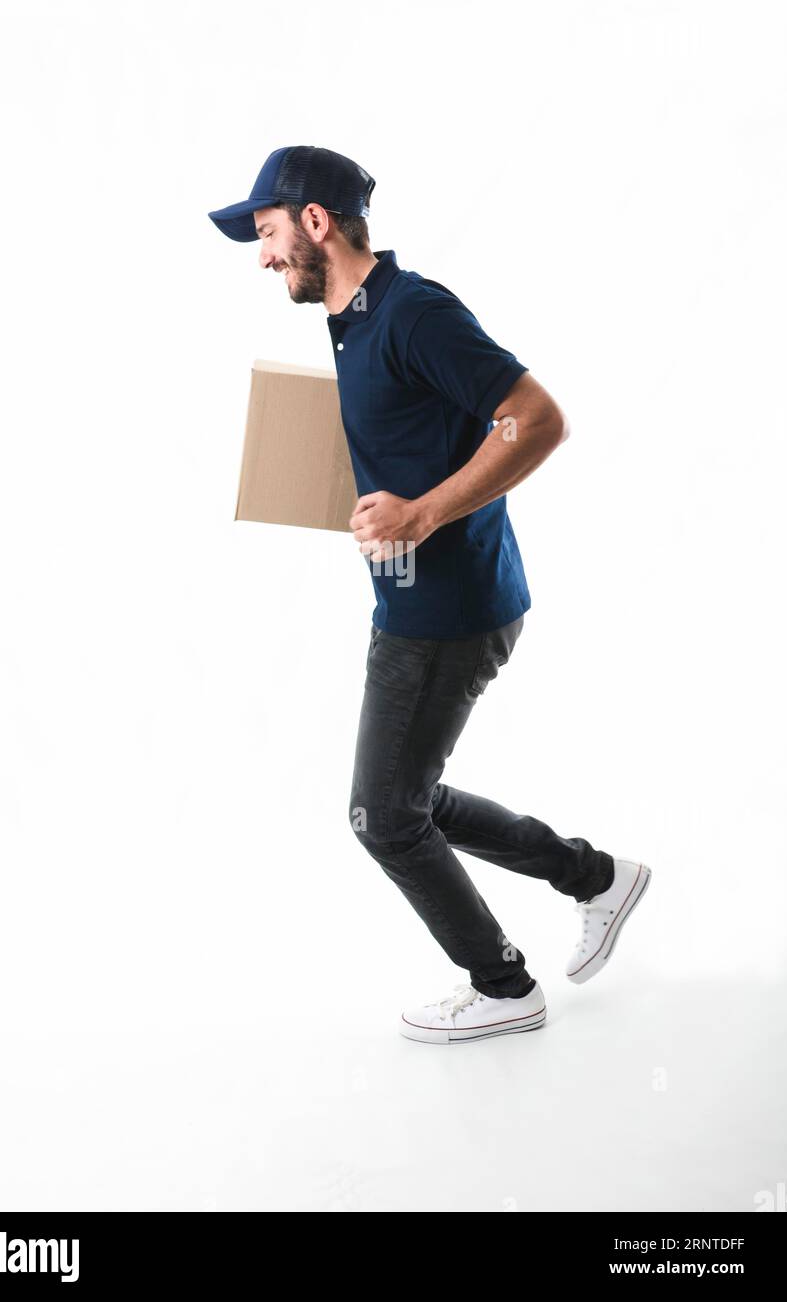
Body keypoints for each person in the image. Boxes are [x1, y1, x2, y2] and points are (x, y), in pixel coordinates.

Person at [208, 146, 651, 1045]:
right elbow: (415, 436)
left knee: (382, 816)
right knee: (406, 797)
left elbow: (537, 417)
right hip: (418, 601)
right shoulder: (354, 322)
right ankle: (594, 877)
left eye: (266, 233)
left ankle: (502, 985)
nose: (261, 256)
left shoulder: (412, 312)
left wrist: (425, 513)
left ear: (316, 222)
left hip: (448, 610)